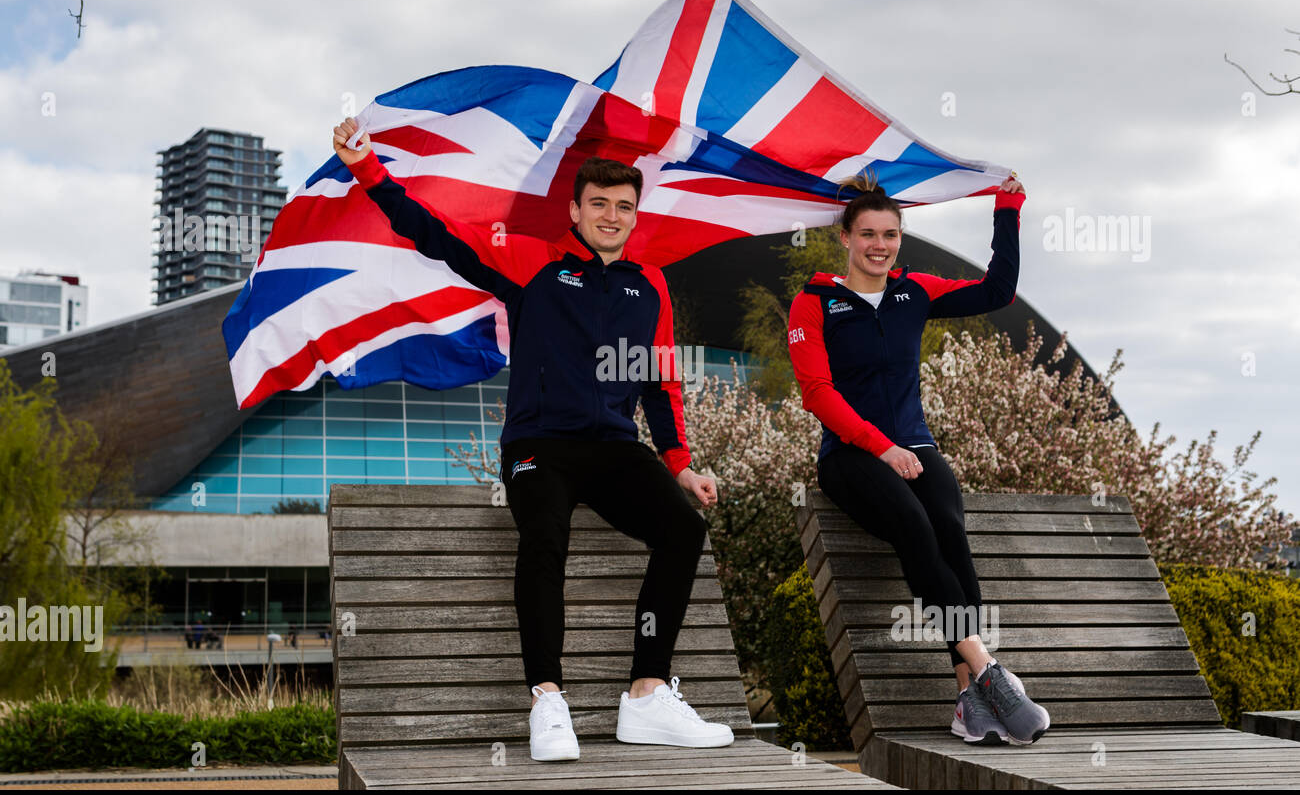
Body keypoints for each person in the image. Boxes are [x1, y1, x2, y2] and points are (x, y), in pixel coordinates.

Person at [331, 117, 733, 761]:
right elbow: (436, 235)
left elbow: (659, 384)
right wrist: (369, 171)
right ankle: (548, 700)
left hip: (613, 448)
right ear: (575, 210)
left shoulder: (648, 285)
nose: (611, 215)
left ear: (635, 215)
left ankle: (646, 697)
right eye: (598, 203)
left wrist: (681, 464)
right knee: (546, 536)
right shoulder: (531, 261)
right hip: (537, 445)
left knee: (683, 530)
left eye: (623, 206)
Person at [786, 173, 1051, 746]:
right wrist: (880, 446)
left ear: (900, 238)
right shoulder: (814, 303)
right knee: (912, 524)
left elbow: (997, 291)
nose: (879, 246)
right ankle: (988, 669)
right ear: (845, 238)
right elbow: (816, 393)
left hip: (916, 447)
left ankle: (969, 699)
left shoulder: (915, 292)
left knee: (951, 532)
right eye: (868, 235)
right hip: (850, 455)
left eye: (890, 235)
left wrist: (1007, 207)